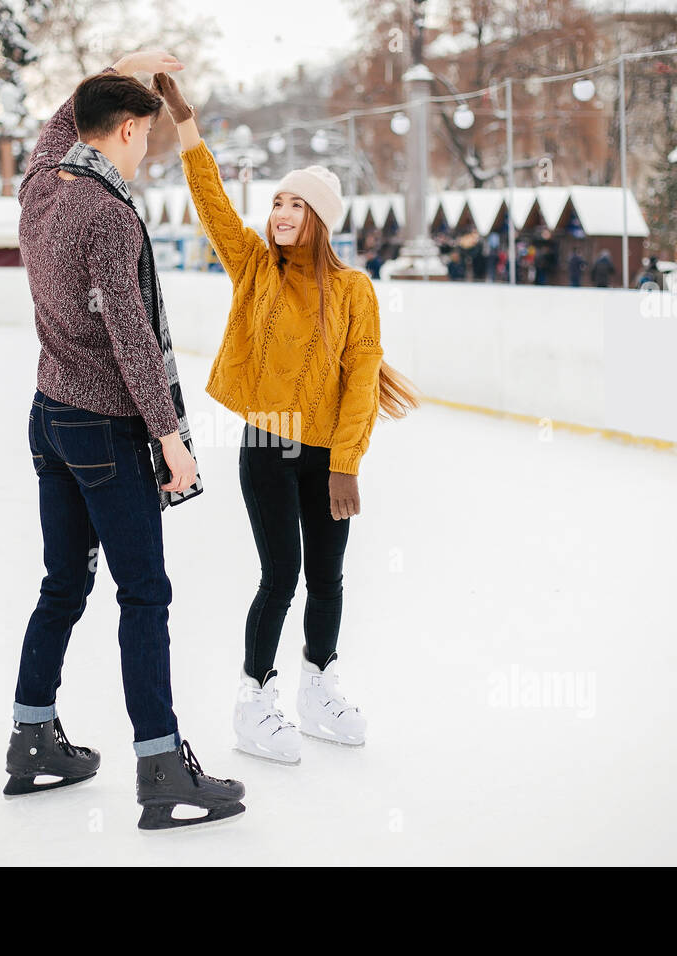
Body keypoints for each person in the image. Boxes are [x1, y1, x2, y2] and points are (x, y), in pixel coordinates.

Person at [9, 51, 245, 830]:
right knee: (144, 593)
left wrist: (120, 66)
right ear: (129, 130)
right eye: (145, 138)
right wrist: (171, 439)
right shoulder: (107, 214)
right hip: (106, 428)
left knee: (62, 587)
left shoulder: (43, 187)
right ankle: (160, 764)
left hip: (50, 416)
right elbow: (134, 339)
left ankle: (32, 737)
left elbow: (57, 127)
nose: (147, 153)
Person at [157, 70, 421, 764]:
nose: (280, 212)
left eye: (295, 204)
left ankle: (317, 687)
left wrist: (346, 464)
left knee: (328, 578)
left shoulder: (354, 290)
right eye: (276, 201)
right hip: (267, 447)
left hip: (329, 454)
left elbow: (361, 381)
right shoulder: (254, 268)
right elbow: (211, 202)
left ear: (320, 219)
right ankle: (254, 698)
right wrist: (187, 125)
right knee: (280, 575)